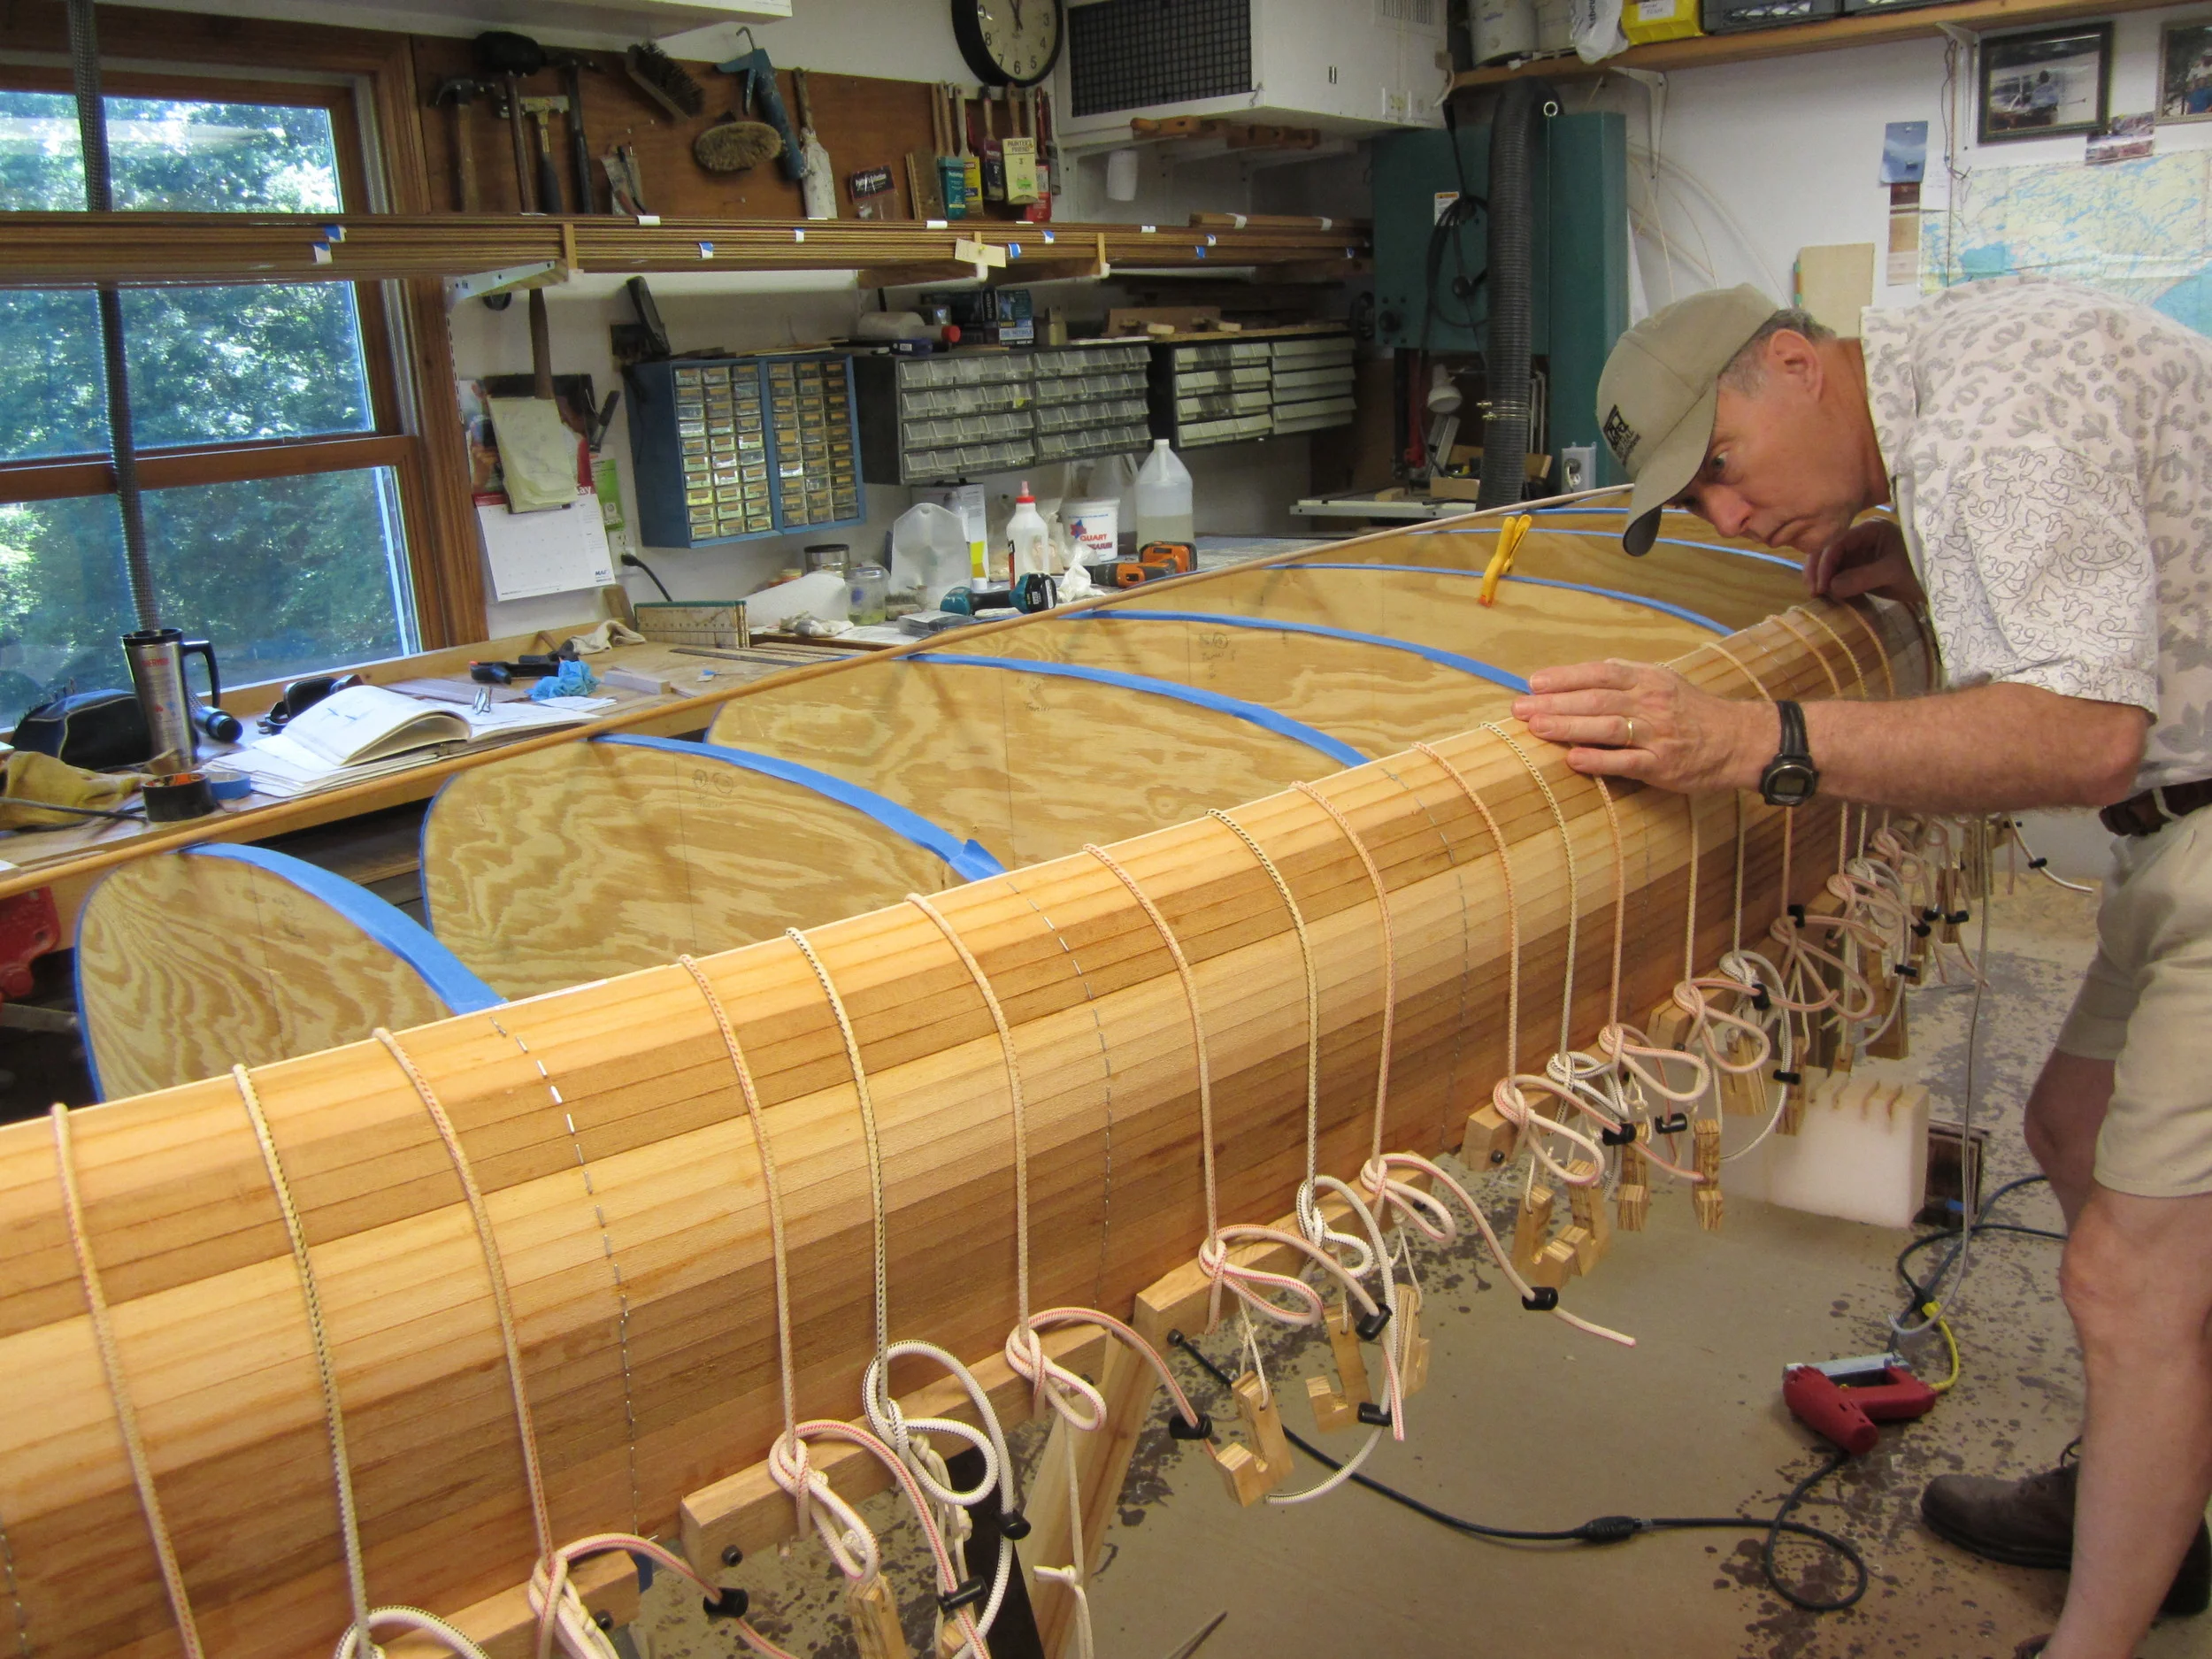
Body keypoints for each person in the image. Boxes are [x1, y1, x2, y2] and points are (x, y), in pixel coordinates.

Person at [1513, 280, 2212, 1659]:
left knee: (2131, 1282)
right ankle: (2159, 1483)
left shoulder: (1988, 419)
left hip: (2194, 817)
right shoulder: (1955, 381)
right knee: (2068, 1127)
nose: (1730, 517)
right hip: (2178, 833)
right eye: (1694, 501)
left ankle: (2105, 1624)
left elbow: (2084, 740)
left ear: (1794, 364)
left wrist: (1754, 739)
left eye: (1721, 466)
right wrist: (1936, 561)